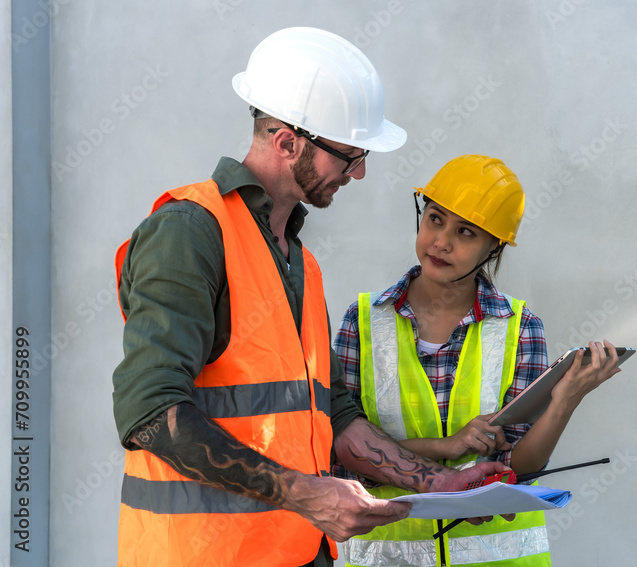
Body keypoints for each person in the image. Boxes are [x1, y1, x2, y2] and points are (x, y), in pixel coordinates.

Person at [111, 28, 510, 567]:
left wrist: (443, 483)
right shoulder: (189, 232)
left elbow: (334, 413)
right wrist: (305, 494)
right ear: (287, 142)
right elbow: (149, 410)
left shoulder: (301, 263)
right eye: (349, 155)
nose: (359, 172)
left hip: (298, 553)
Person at [332, 154, 623, 566]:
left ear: (494, 246)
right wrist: (446, 446)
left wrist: (565, 402)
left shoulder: (520, 328)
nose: (441, 242)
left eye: (465, 232)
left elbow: (518, 467)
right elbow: (342, 457)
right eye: (435, 219)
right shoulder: (362, 322)